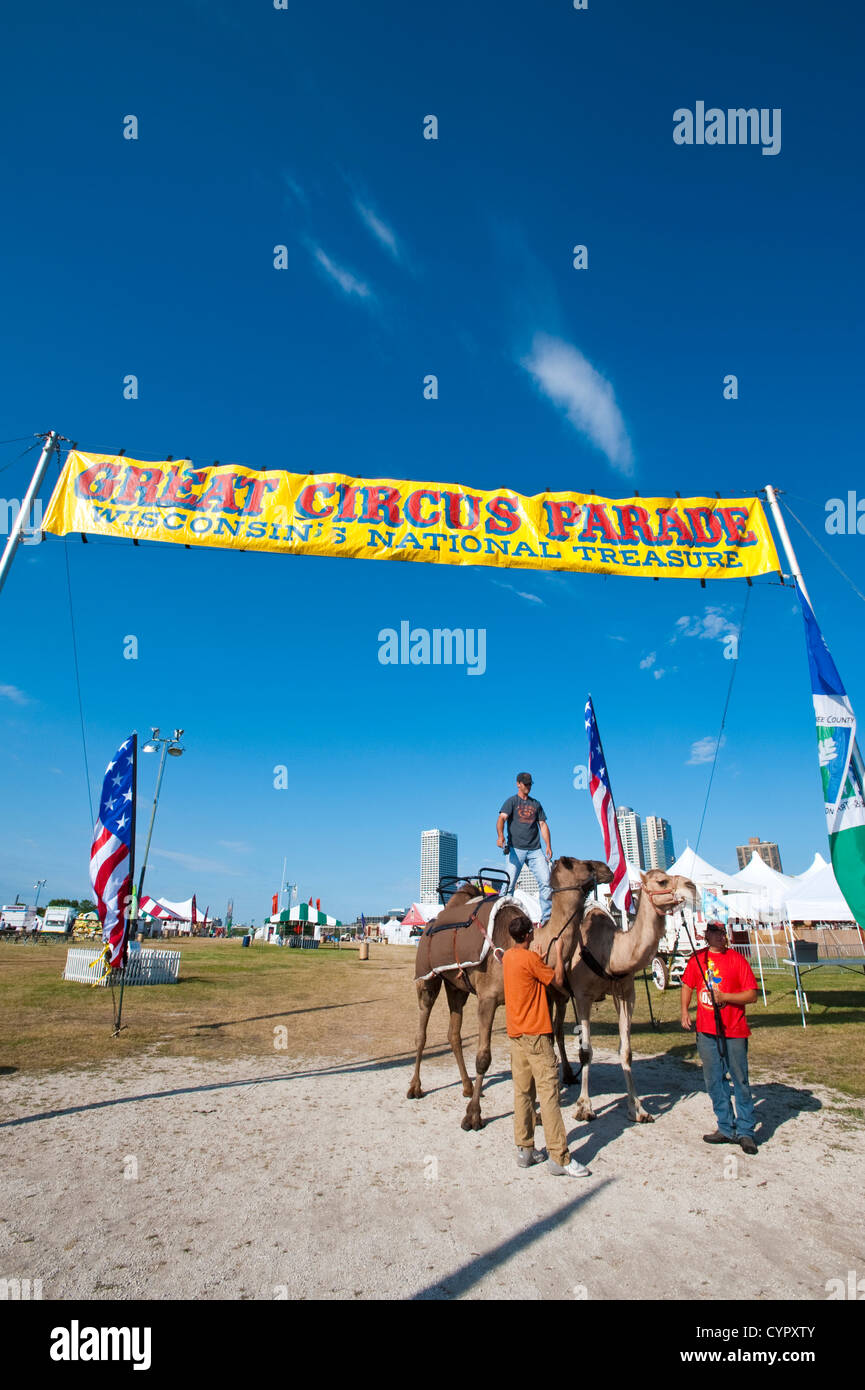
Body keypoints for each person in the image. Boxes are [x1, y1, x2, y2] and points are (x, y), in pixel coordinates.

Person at [502, 914, 590, 1177]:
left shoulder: (508, 957)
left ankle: (525, 1149)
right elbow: (558, 982)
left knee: (523, 1093)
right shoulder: (531, 961)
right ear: (528, 935)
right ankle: (559, 1157)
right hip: (538, 1037)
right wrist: (560, 953)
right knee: (549, 1094)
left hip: (516, 1036)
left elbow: (527, 974)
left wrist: (536, 960)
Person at [681, 921, 759, 1155]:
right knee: (714, 1080)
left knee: (740, 1080)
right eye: (714, 933)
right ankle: (725, 1126)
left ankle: (745, 1131)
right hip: (706, 1031)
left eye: (722, 933)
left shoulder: (737, 960)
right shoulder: (698, 959)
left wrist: (726, 996)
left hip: (733, 1029)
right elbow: (687, 984)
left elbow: (752, 995)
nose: (719, 937)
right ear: (706, 936)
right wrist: (685, 1010)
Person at [497, 772, 552, 926]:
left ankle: (547, 919)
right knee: (508, 885)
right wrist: (500, 836)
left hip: (535, 850)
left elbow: (543, 824)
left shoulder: (536, 804)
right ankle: (501, 918)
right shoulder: (511, 801)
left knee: (546, 882)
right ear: (518, 784)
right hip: (515, 849)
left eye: (530, 784)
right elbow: (501, 818)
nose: (528, 786)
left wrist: (548, 845)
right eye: (525, 783)